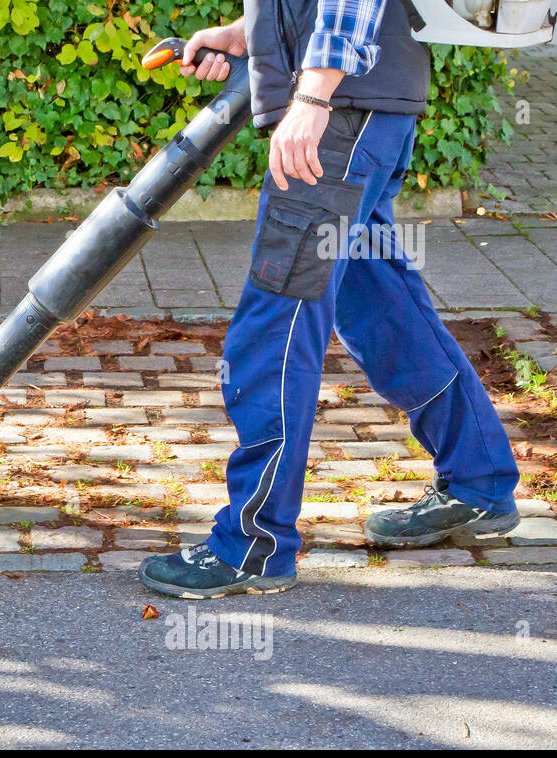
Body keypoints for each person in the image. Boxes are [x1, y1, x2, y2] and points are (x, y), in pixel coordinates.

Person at [139, 1, 521, 599]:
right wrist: (248, 35)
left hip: (343, 114)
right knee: (380, 307)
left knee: (277, 322)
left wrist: (314, 96)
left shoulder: (327, 99)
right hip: (368, 108)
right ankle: (480, 482)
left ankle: (254, 545)